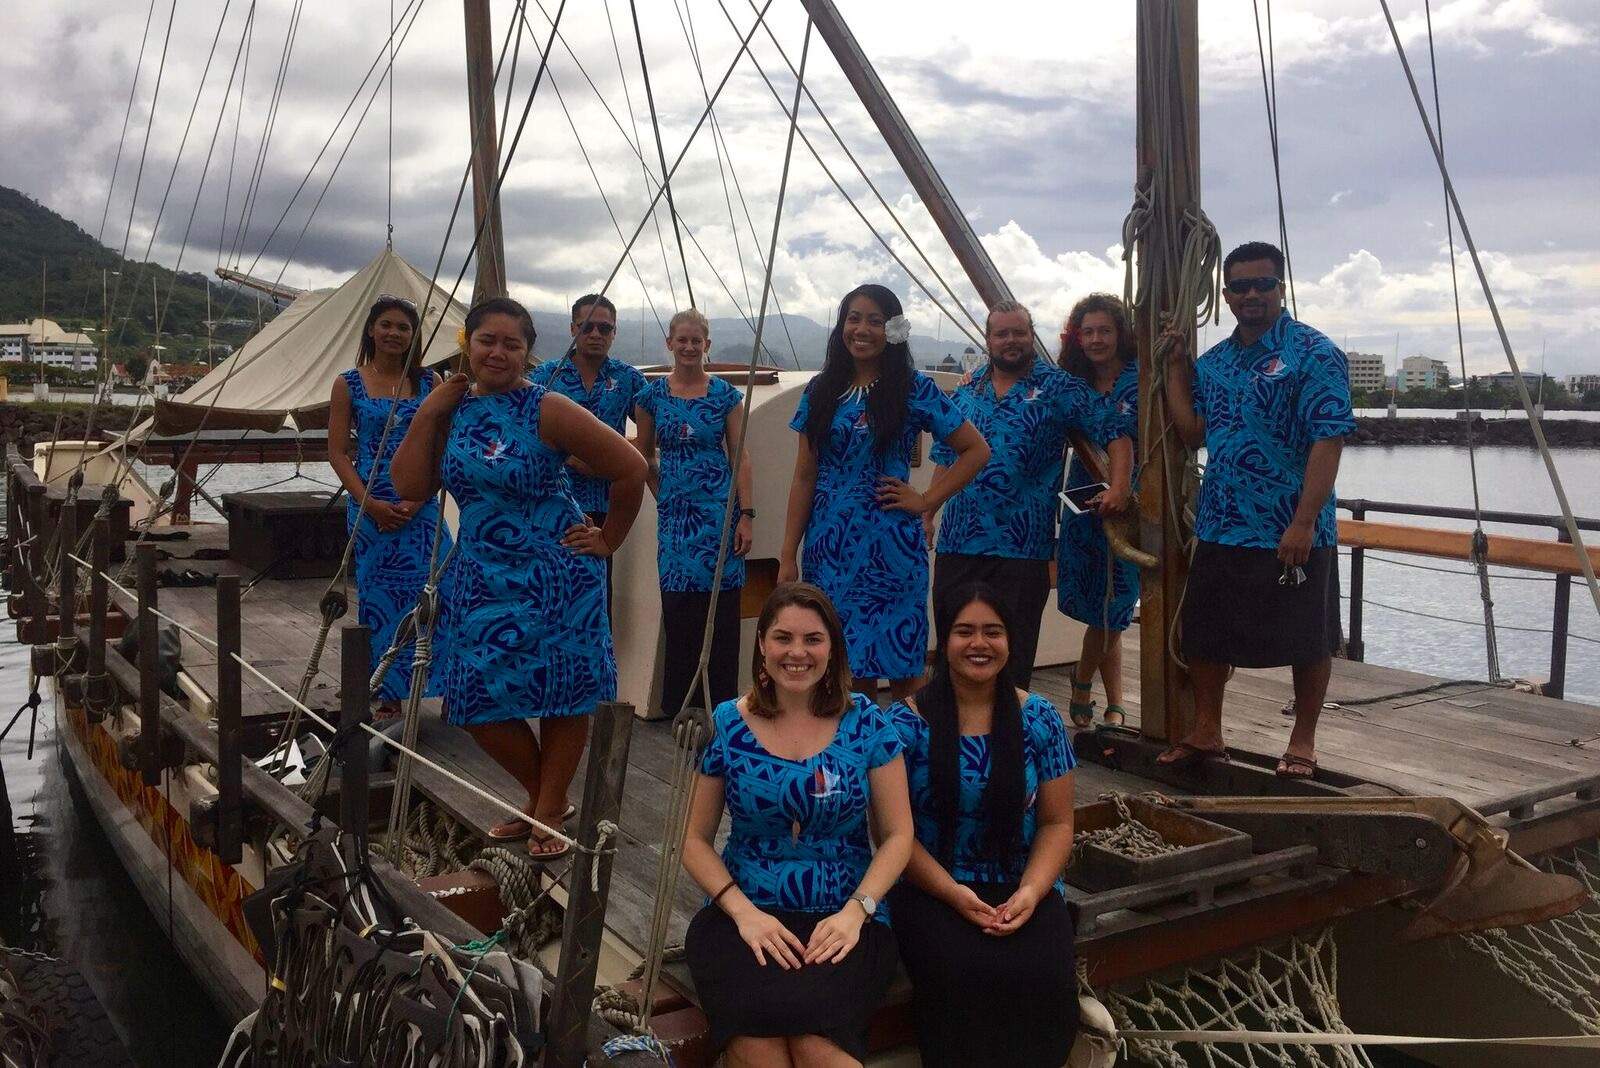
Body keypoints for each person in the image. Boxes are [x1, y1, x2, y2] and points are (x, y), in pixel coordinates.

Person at [390, 296, 647, 856]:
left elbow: (631, 467)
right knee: (472, 699)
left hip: (558, 575)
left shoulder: (547, 407)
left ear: (528, 352)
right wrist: (429, 411)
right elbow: (409, 486)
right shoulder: (450, 409)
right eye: (487, 340)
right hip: (481, 575)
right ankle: (542, 798)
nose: (498, 352)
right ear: (468, 344)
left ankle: (546, 809)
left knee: (563, 694)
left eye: (512, 344)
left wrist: (608, 539)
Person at [682, 582, 914, 1068]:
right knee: (756, 1046)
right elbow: (693, 840)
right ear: (762, 643)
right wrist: (744, 913)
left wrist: (857, 911)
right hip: (744, 916)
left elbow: (898, 835)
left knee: (816, 1046)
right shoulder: (727, 724)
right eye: (783, 638)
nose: (797, 652)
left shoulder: (867, 724)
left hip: (843, 918)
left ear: (832, 648)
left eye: (813, 639)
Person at [1161, 241, 1355, 778]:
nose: (1251, 294)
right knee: (1205, 633)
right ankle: (1207, 731)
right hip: (1222, 523)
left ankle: (1302, 742)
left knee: (1308, 638)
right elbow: (1193, 432)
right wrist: (1176, 369)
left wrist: (1303, 521)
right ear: (1225, 295)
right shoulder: (1214, 363)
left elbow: (1329, 439)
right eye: (1240, 286)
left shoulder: (1314, 353)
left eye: (1262, 284)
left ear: (1280, 288)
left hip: (1290, 527)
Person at [886, 582, 1078, 1068]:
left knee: (1044, 976)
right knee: (961, 973)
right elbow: (892, 835)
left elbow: (1057, 823)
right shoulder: (904, 725)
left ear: (1010, 639)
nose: (979, 643)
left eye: (992, 632)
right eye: (964, 631)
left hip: (1021, 884)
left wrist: (1032, 891)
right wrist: (953, 894)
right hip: (933, 887)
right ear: (944, 639)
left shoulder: (1040, 719)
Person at [778, 284, 989, 701]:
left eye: (875, 321)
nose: (862, 329)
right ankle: (859, 744)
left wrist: (926, 501)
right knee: (843, 669)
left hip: (891, 551)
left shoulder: (914, 388)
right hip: (829, 551)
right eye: (853, 318)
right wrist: (787, 555)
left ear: (892, 330)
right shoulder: (819, 391)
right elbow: (804, 477)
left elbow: (976, 450)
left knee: (903, 666)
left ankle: (911, 745)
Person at [924, 299, 1131, 690]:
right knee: (955, 655)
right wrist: (928, 512)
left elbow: (1115, 432)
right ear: (988, 339)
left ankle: (1010, 727)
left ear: (1031, 335)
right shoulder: (968, 389)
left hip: (1022, 550)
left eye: (1019, 332)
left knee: (1012, 662)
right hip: (959, 543)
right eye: (1002, 333)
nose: (1011, 340)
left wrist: (1119, 487)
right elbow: (946, 457)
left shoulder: (1059, 387)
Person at [326, 296, 454, 720]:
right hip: (370, 505)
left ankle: (446, 686)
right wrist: (370, 504)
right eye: (387, 325)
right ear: (371, 329)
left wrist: (417, 500)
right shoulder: (348, 383)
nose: (395, 333)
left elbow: (443, 448)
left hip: (421, 502)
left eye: (404, 327)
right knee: (380, 598)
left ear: (414, 335)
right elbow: (338, 453)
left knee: (440, 589)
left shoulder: (432, 382)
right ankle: (388, 695)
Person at [633, 309, 754, 719]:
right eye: (681, 340)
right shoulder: (650, 397)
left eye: (696, 341)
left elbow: (739, 456)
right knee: (679, 606)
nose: (688, 347)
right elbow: (644, 457)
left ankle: (721, 709)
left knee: (722, 608)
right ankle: (681, 708)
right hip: (675, 520)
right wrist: (663, 495)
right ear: (669, 343)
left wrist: (747, 514)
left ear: (707, 345)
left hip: (720, 514)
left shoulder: (724, 395)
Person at [1056, 294, 1141, 727]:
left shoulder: (1143, 380)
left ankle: (1082, 677)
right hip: (1085, 494)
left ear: (1120, 333)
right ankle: (1116, 701)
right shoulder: (1072, 382)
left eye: (1104, 330)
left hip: (1137, 498)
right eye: (1087, 332)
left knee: (1118, 603)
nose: (1095, 339)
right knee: (1102, 605)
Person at [531, 293, 648, 607]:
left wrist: (618, 457)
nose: (596, 334)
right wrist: (571, 457)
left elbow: (656, 431)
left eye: (604, 328)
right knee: (549, 591)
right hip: (552, 501)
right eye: (587, 327)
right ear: (573, 328)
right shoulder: (546, 377)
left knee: (596, 594)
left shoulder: (628, 379)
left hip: (606, 506)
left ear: (614, 332)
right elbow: (525, 429)